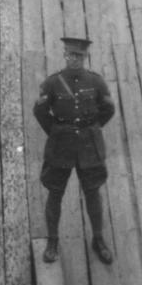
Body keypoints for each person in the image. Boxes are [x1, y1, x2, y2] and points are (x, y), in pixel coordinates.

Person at [33, 36, 116, 265]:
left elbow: (108, 109)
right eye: (70, 55)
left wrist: (93, 128)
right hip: (61, 146)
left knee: (93, 193)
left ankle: (98, 239)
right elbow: (39, 111)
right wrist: (57, 131)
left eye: (78, 56)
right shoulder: (52, 83)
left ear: (84, 57)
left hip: (89, 146)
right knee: (55, 193)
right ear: (65, 55)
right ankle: (52, 241)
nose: (74, 59)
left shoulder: (96, 82)